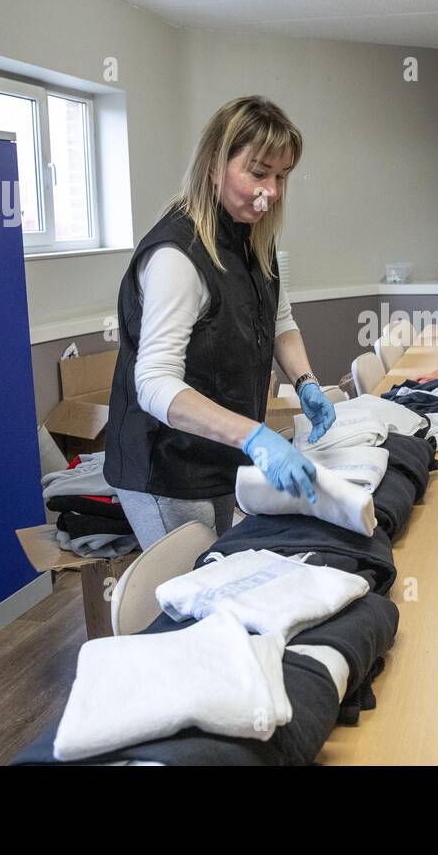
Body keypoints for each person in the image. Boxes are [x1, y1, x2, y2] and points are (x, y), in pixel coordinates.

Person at [103, 96, 334, 548]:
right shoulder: (177, 255)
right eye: (258, 172)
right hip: (165, 462)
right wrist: (255, 436)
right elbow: (151, 382)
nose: (272, 191)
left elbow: (280, 321)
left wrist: (306, 381)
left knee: (220, 571)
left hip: (221, 450)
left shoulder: (253, 239)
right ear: (214, 164)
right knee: (191, 597)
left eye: (281, 177)